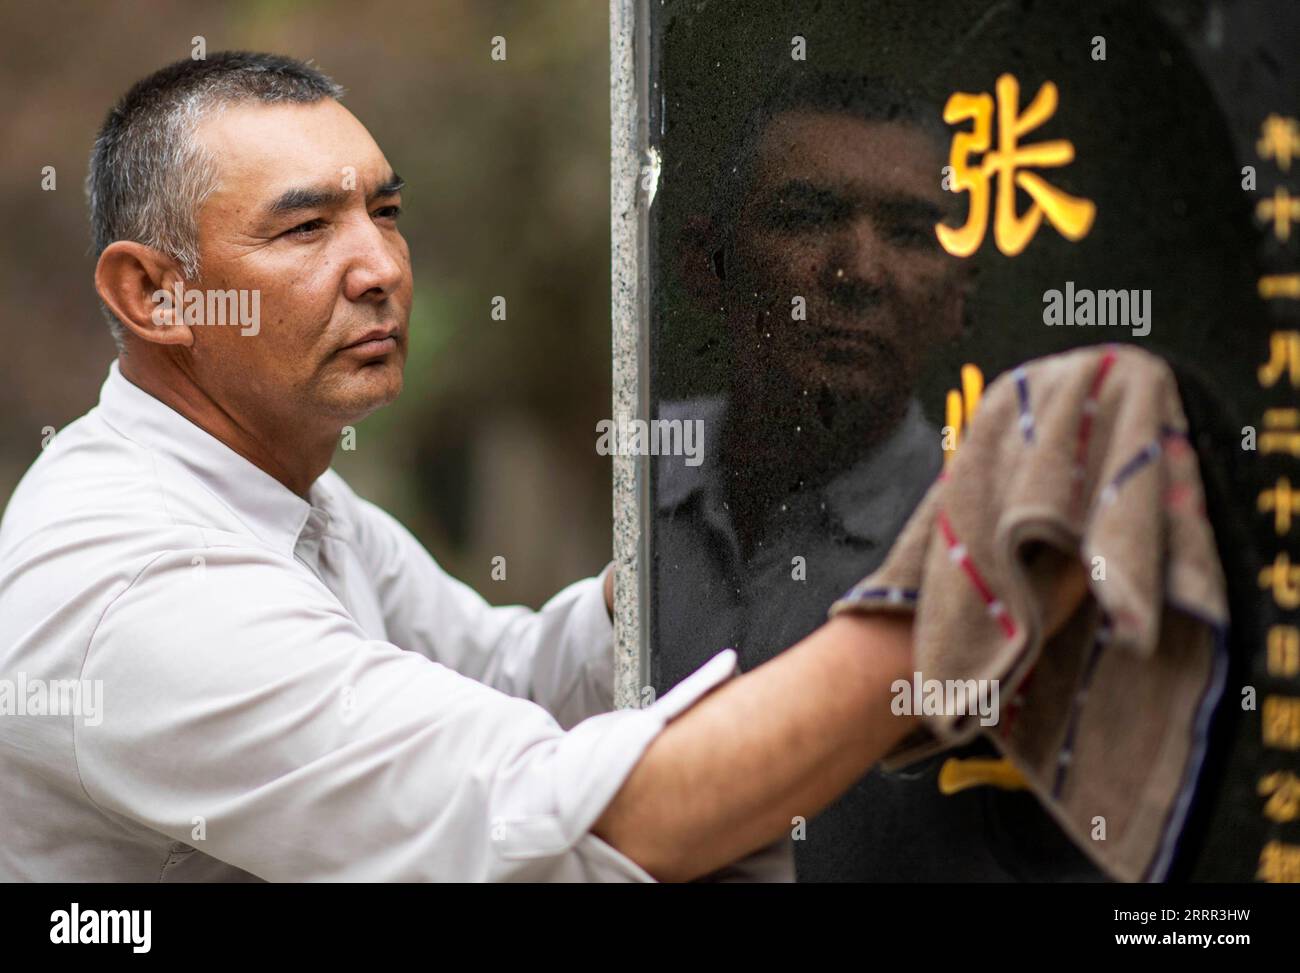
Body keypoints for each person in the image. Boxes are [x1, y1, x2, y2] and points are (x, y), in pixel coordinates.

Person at [0, 51, 946, 883]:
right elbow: (568, 826)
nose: (380, 268)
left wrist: (659, 573)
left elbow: (504, 675)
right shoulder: (147, 584)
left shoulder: (293, 493)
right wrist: (947, 599)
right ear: (155, 294)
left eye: (386, 210)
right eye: (305, 229)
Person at [656, 73, 1106, 880]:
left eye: (908, 233)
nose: (858, 270)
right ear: (706, 265)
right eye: (807, 217)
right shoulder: (631, 472)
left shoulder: (1002, 554)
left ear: (955, 299)